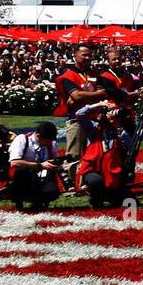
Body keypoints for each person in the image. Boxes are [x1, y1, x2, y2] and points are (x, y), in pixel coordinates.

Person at [53, 42, 109, 186]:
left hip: (94, 118)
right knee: (74, 153)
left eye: (89, 55)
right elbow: (77, 96)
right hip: (76, 119)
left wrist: (86, 95)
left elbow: (103, 93)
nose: (87, 57)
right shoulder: (68, 75)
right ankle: (70, 185)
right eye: (84, 54)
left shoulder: (95, 74)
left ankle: (86, 183)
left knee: (92, 152)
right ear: (75, 55)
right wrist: (97, 94)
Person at [75, 101, 134, 208]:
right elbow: (79, 114)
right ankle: (95, 200)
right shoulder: (93, 128)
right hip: (93, 170)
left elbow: (131, 147)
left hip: (112, 173)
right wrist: (98, 105)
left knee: (128, 201)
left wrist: (118, 128)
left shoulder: (119, 131)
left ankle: (109, 195)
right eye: (110, 112)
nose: (112, 114)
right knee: (96, 181)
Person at [8, 120, 64, 211]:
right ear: (38, 136)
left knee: (51, 191)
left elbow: (54, 159)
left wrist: (57, 163)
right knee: (22, 174)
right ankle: (19, 201)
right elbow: (14, 162)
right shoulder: (22, 139)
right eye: (47, 141)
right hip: (25, 176)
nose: (49, 143)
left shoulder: (52, 144)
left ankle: (42, 201)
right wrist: (40, 165)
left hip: (43, 175)